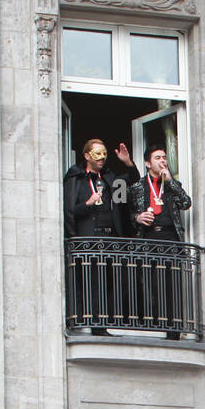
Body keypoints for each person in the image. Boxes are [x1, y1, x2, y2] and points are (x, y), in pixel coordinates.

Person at [63, 138, 139, 335]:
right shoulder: (76, 178)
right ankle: (92, 325)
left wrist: (128, 163)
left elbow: (132, 179)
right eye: (98, 154)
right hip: (88, 238)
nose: (102, 158)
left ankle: (105, 323)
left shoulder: (110, 179)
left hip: (109, 238)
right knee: (92, 282)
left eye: (104, 153)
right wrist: (87, 203)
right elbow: (69, 210)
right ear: (87, 156)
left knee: (110, 281)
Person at [128, 145, 194, 338]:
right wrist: (137, 218)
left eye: (164, 157)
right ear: (148, 163)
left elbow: (186, 203)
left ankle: (173, 330)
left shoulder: (173, 185)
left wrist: (171, 180)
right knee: (151, 283)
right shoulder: (138, 187)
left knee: (172, 283)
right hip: (149, 238)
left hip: (170, 238)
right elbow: (129, 215)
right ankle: (155, 324)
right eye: (158, 158)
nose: (163, 161)